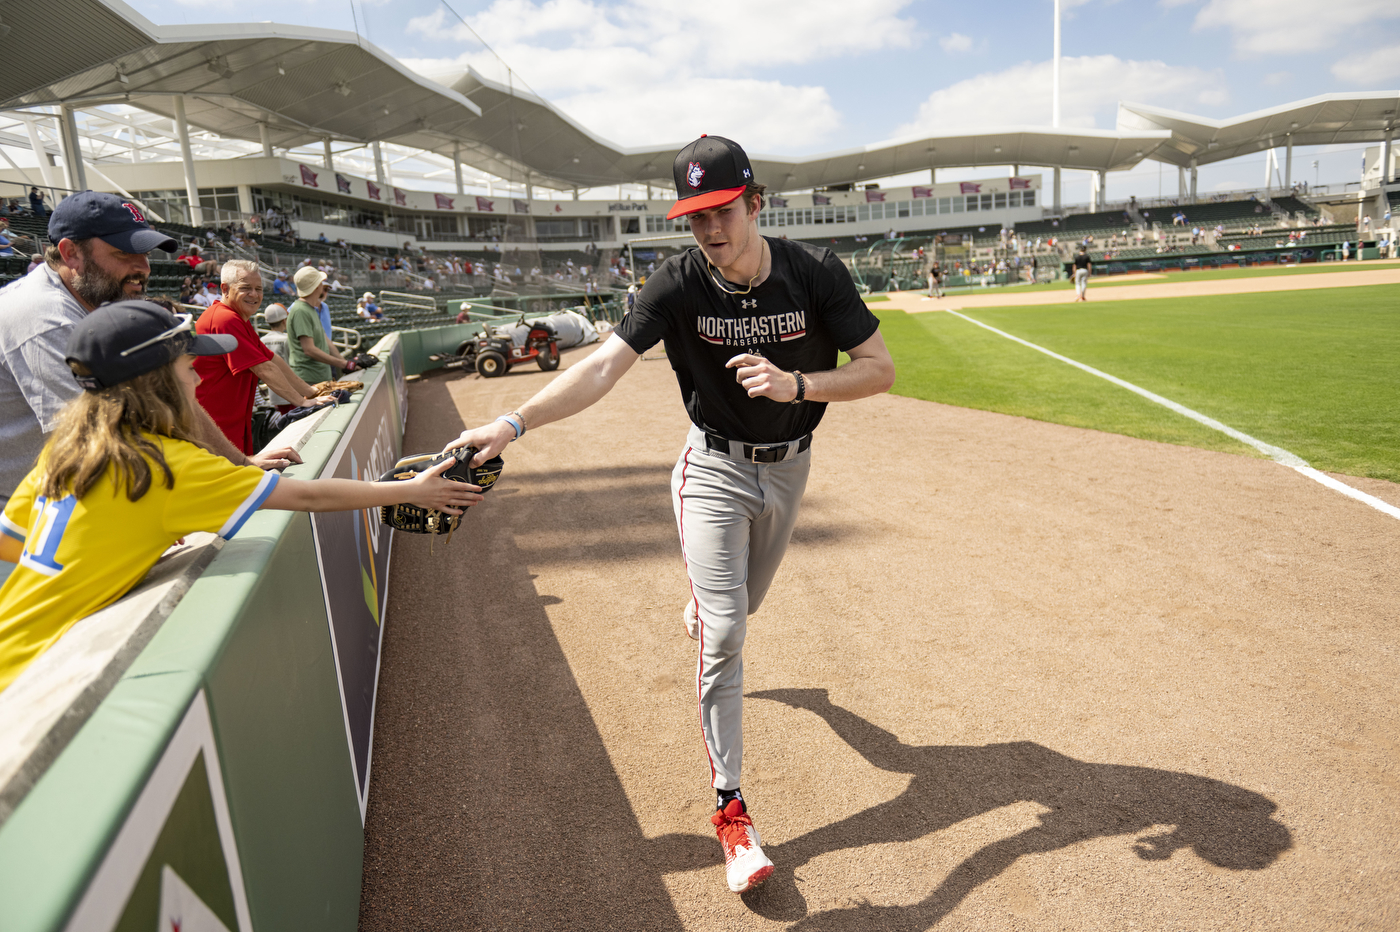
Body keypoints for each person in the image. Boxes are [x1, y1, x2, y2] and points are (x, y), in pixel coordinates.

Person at [445, 134, 895, 895]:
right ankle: (732, 812)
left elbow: (879, 370)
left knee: (740, 606)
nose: (710, 231)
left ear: (755, 203)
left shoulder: (813, 273)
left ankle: (708, 598)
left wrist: (798, 387)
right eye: (695, 218)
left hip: (789, 470)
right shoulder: (678, 282)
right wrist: (510, 425)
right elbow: (602, 368)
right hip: (713, 469)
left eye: (722, 211)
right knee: (727, 632)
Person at [0, 299, 482, 692]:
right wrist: (410, 489)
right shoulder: (167, 465)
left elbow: (9, 540)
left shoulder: (70, 448)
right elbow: (308, 497)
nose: (197, 378)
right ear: (160, 381)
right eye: (190, 366)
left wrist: (113, 549)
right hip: (35, 680)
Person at [0, 192, 298, 520]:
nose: (143, 269)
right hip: (19, 526)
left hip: (57, 506)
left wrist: (239, 462)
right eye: (125, 253)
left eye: (144, 255)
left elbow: (171, 393)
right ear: (71, 253)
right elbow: (104, 434)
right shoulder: (43, 317)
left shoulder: (101, 296)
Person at [194, 260, 333, 454]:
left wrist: (310, 392)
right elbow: (264, 368)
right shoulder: (224, 319)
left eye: (259, 288)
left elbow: (273, 360)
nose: (254, 294)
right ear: (225, 289)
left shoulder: (237, 317)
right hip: (215, 426)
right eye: (246, 288)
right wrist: (301, 401)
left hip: (229, 422)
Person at [287, 268, 355, 385]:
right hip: (309, 379)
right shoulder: (300, 310)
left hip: (319, 377)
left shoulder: (310, 308)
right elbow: (309, 350)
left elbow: (325, 340)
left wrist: (346, 364)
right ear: (317, 286)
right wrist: (343, 364)